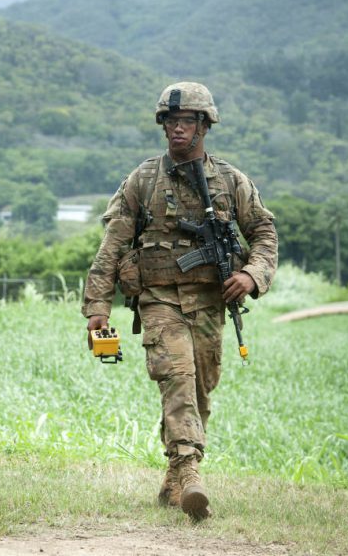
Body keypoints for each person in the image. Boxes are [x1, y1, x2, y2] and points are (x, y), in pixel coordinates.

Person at [82, 82, 278, 520]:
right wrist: (97, 307)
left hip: (209, 302)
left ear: (204, 126)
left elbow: (264, 232)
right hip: (158, 300)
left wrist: (252, 274)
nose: (177, 129)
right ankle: (190, 472)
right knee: (178, 377)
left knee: (200, 389)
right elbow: (112, 245)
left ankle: (173, 478)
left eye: (186, 121)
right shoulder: (143, 179)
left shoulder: (230, 181)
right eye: (171, 121)